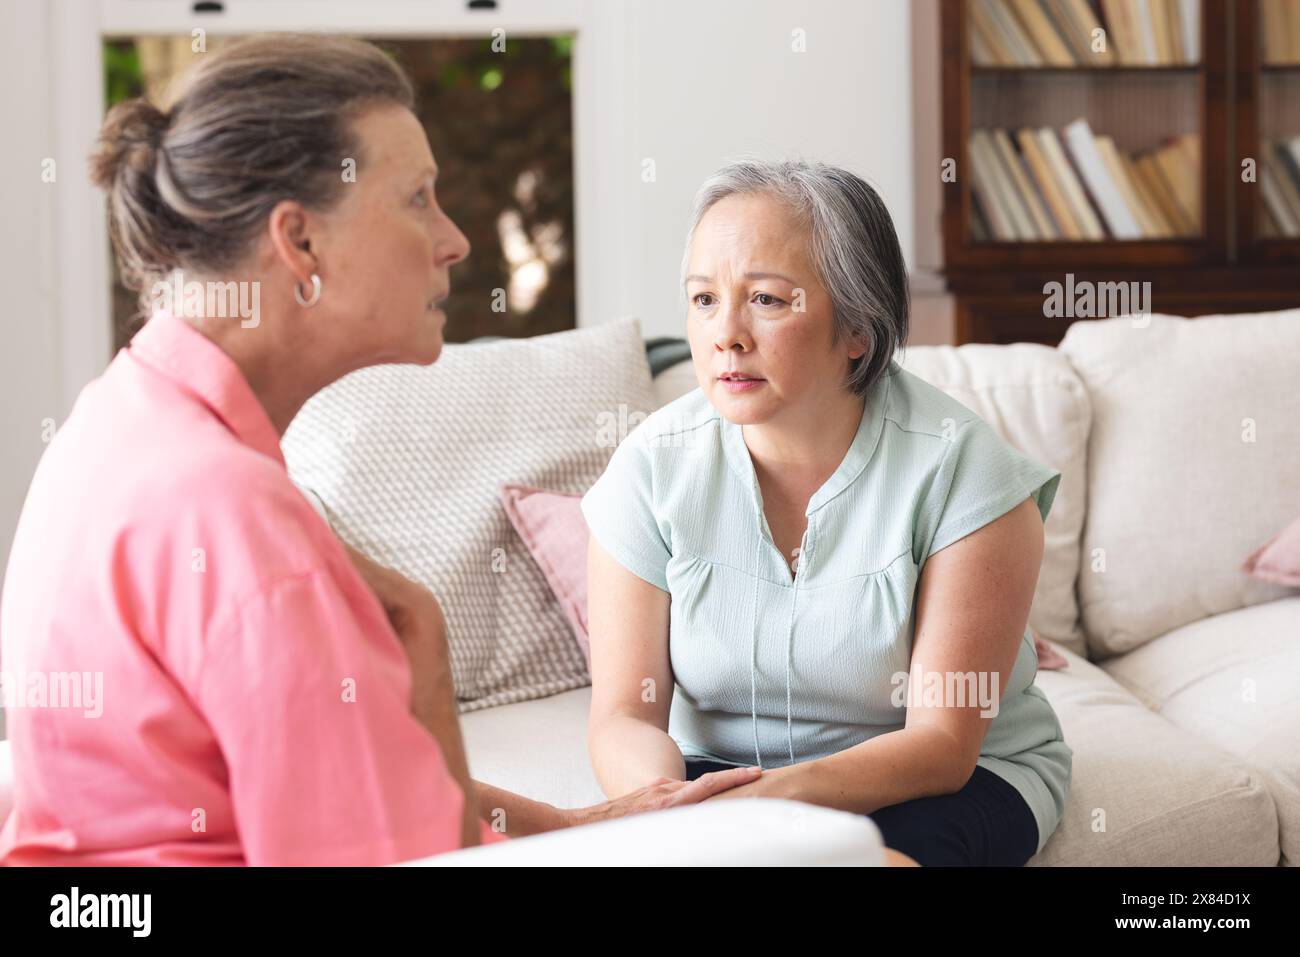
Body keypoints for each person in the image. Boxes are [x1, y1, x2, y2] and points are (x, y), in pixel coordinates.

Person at [0, 33, 761, 867]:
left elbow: (336, 783)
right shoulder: (233, 513)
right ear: (301, 244)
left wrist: (581, 827)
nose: (455, 240)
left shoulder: (117, 420)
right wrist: (428, 663)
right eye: (418, 199)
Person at [583, 159, 1073, 866]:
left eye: (768, 300)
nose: (726, 334)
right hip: (716, 780)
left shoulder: (968, 472)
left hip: (934, 782)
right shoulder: (650, 468)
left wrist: (762, 807)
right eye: (703, 300)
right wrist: (670, 805)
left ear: (858, 329)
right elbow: (623, 715)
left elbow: (942, 745)